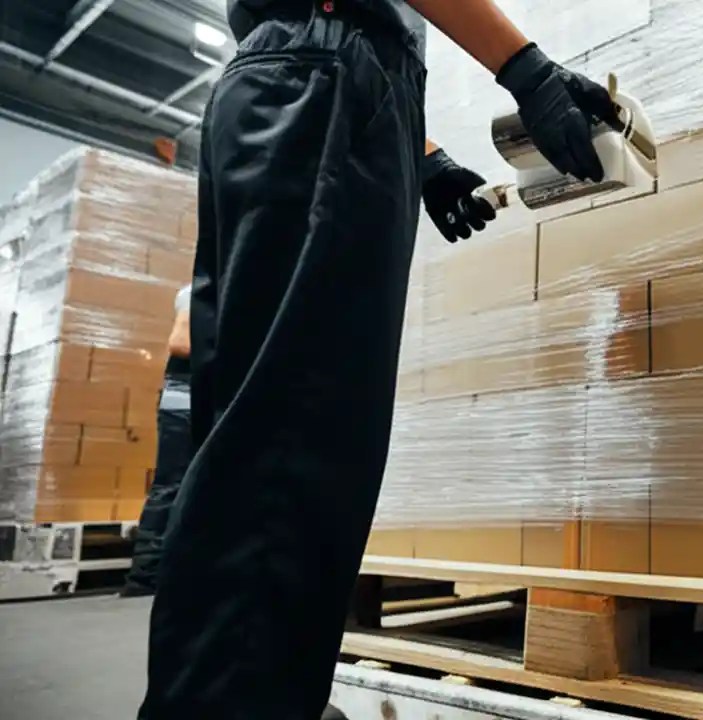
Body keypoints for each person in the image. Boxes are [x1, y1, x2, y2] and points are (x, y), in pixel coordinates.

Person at [139, 0, 618, 717]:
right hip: (324, 85)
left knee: (250, 426)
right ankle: (238, 703)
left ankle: (234, 693)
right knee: (296, 439)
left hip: (291, 83)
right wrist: (527, 69)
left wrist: (423, 158)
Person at [120, 284, 194, 597]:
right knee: (170, 487)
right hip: (186, 402)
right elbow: (181, 344)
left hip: (207, 401)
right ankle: (145, 578)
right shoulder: (196, 291)